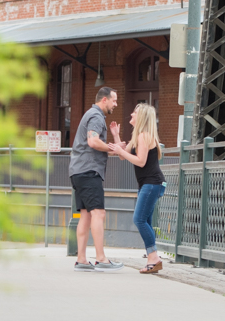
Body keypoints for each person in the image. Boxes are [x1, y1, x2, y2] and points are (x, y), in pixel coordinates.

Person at [69, 87, 124, 272]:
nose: (116, 104)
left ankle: (82, 260)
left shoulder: (91, 114)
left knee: (85, 215)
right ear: (104, 100)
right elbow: (92, 141)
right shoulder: (96, 116)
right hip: (88, 171)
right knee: (98, 213)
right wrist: (112, 148)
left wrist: (114, 143)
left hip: (78, 171)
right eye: (114, 100)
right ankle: (101, 259)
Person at [109, 102, 165, 273]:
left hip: (152, 183)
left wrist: (120, 151)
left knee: (139, 220)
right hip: (148, 184)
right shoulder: (138, 136)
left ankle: (154, 257)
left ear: (142, 117)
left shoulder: (144, 136)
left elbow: (140, 161)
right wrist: (116, 137)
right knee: (145, 221)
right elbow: (123, 156)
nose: (132, 114)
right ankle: (152, 258)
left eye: (135, 112)